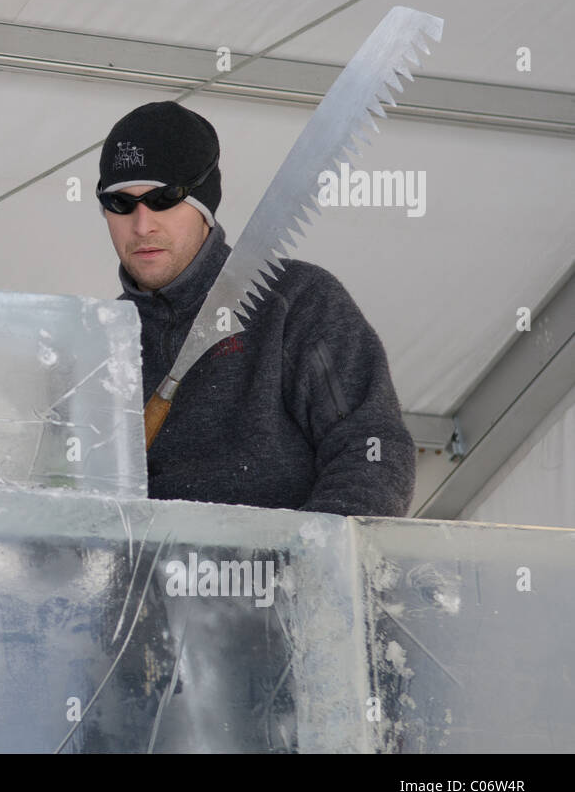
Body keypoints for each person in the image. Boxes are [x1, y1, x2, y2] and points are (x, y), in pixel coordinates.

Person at [97, 101, 415, 516]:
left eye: (164, 199)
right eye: (121, 203)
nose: (142, 226)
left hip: (282, 575)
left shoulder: (297, 302)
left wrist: (309, 560)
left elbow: (371, 448)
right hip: (146, 579)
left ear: (204, 204)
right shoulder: (99, 344)